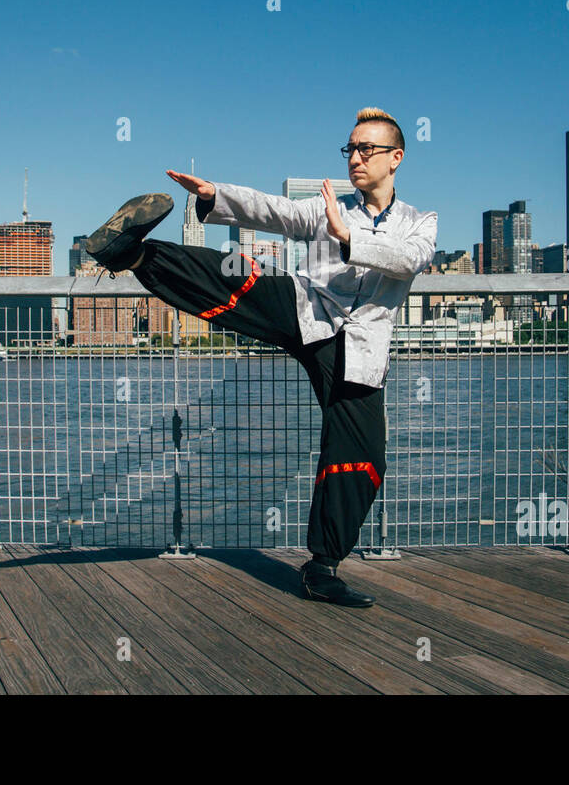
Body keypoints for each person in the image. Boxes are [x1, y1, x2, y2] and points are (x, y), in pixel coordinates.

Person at [84, 107, 438, 607]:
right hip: (307, 310)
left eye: (366, 149)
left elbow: (410, 258)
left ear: (395, 158)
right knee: (240, 277)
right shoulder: (327, 206)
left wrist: (348, 237)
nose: (355, 158)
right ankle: (135, 254)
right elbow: (274, 210)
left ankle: (322, 569)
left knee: (360, 456)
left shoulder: (420, 221)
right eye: (350, 149)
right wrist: (215, 195)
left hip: (360, 351)